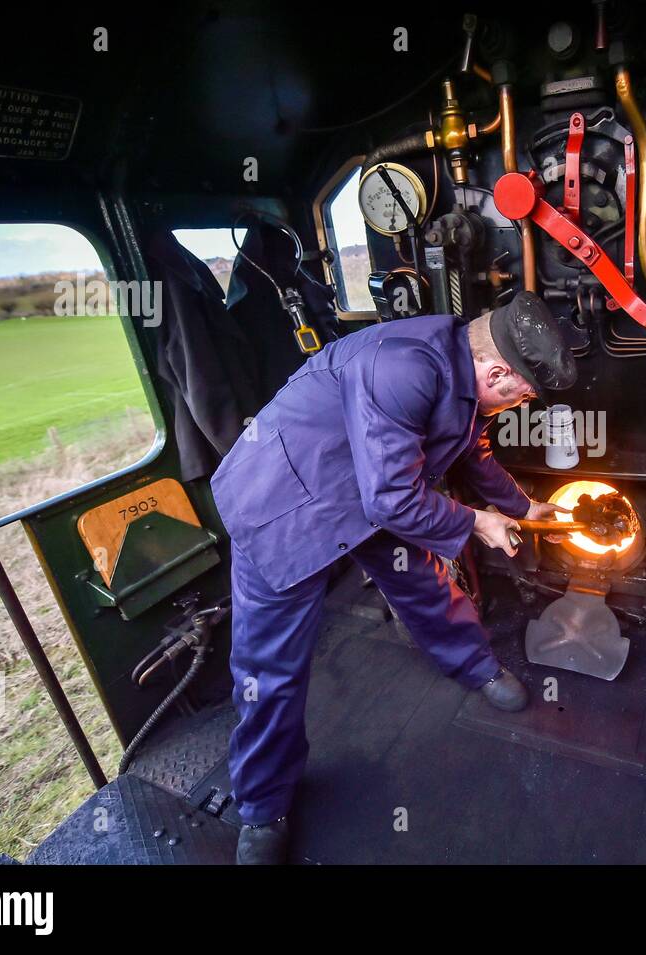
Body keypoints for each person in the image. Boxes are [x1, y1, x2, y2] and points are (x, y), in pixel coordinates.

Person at [211, 292, 576, 863]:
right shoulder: (404, 366)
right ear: (497, 369)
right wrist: (479, 522)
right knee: (270, 668)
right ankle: (262, 807)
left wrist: (525, 508)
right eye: (522, 393)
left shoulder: (461, 363)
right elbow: (392, 500)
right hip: (284, 500)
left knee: (426, 583)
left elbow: (468, 449)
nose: (521, 404)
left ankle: (475, 665)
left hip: (375, 491)